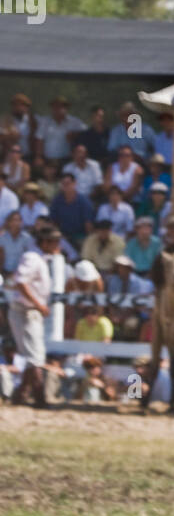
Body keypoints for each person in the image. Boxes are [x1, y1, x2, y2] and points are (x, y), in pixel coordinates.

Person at [8, 225, 55, 406]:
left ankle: (20, 396)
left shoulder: (40, 258)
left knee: (33, 355)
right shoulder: (32, 258)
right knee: (35, 355)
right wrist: (39, 304)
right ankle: (39, 397)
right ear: (45, 242)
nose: (57, 245)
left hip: (28, 311)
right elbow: (21, 282)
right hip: (25, 311)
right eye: (54, 241)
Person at [49, 172, 94, 247]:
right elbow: (53, 222)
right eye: (63, 184)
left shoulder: (84, 201)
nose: (66, 186)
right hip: (62, 236)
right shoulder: (56, 201)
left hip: (80, 235)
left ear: (74, 183)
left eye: (68, 183)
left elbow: (88, 224)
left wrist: (89, 240)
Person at [35, 96, 85, 163]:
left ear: (67, 108)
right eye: (55, 106)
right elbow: (39, 140)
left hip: (67, 160)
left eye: (61, 107)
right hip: (48, 160)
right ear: (52, 108)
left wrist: (75, 134)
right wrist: (39, 157)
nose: (58, 109)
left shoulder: (74, 122)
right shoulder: (44, 122)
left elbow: (86, 132)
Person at [0, 210, 35, 275]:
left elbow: (29, 257)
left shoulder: (27, 238)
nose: (16, 223)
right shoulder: (2, 238)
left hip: (21, 273)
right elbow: (1, 257)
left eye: (18, 220)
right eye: (13, 220)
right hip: (5, 272)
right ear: (8, 222)